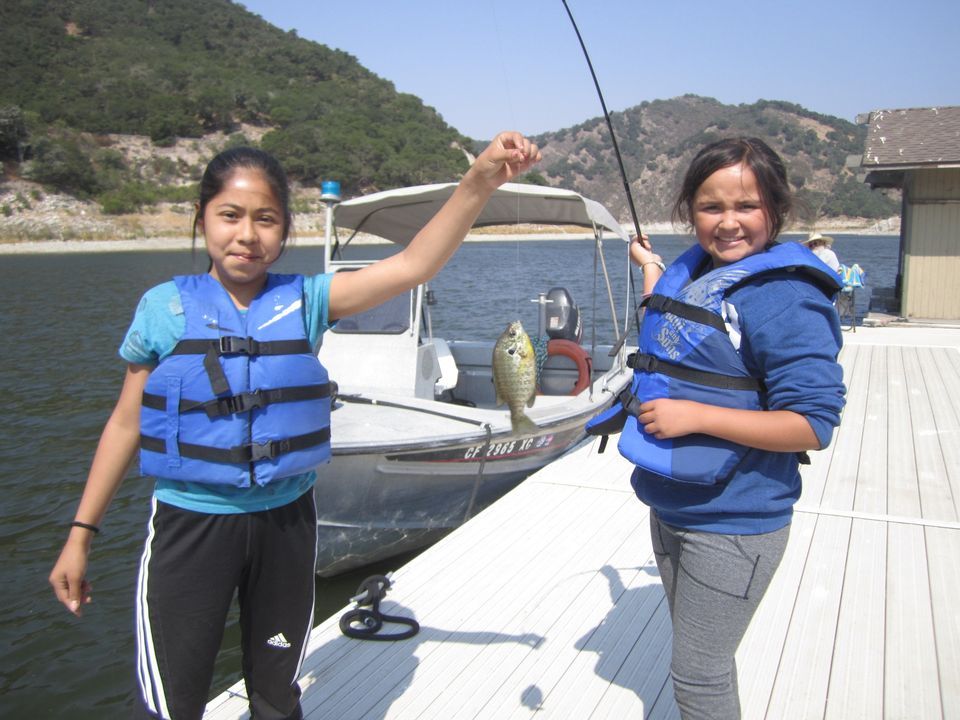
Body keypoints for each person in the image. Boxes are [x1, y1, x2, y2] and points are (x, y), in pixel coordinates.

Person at [48, 132, 541, 720]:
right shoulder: (163, 308)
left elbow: (413, 264)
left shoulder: (307, 301)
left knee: (277, 696)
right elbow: (125, 423)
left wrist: (480, 180)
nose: (247, 234)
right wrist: (81, 534)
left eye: (266, 219)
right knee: (171, 704)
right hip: (190, 525)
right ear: (202, 218)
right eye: (230, 215)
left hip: (287, 524)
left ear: (285, 230)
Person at [598, 137, 845, 719]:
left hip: (736, 521)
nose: (728, 222)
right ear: (690, 211)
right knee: (700, 658)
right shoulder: (701, 274)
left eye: (747, 206)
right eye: (711, 207)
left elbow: (813, 424)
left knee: (698, 676)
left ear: (776, 209)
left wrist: (697, 416)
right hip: (671, 506)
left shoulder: (785, 298)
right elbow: (674, 320)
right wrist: (650, 266)